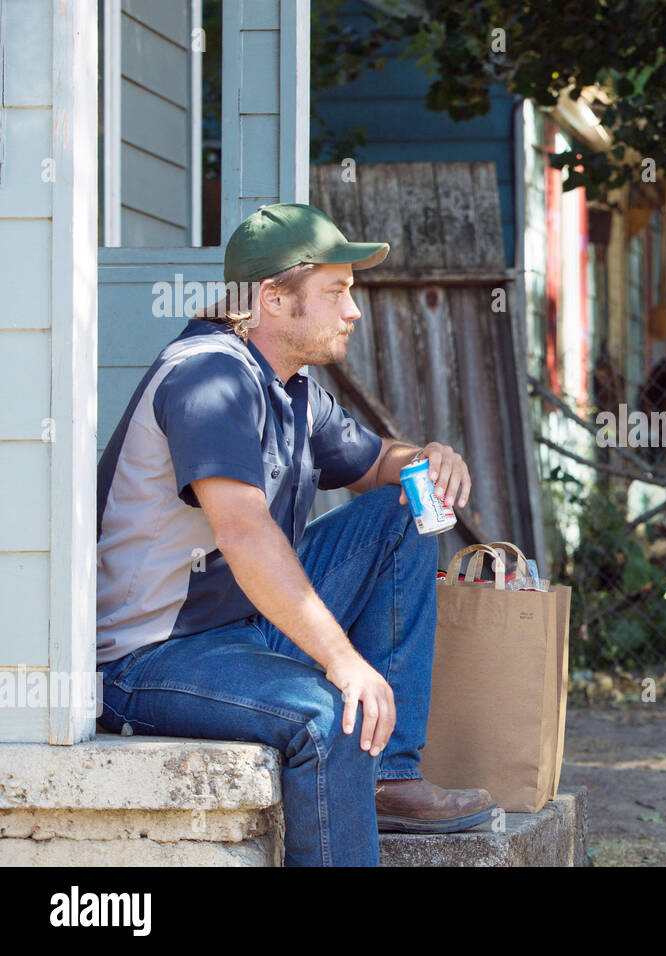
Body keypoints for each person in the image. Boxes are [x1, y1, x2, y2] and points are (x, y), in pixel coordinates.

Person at [95, 203, 496, 866]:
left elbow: (373, 463)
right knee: (332, 713)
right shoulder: (208, 377)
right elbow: (245, 533)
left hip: (241, 629)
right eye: (336, 292)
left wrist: (425, 457)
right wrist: (343, 663)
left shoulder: (293, 388)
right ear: (272, 300)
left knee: (400, 513)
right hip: (150, 658)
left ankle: (391, 778)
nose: (353, 311)